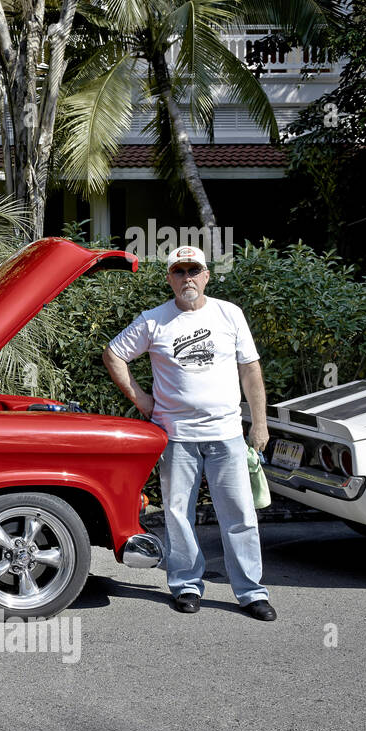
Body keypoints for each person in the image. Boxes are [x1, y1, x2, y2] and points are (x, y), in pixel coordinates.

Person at [102, 245, 275, 621]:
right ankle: (185, 586)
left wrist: (259, 424)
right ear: (169, 278)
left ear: (206, 275)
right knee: (179, 513)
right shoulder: (154, 321)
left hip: (226, 434)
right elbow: (114, 353)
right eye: (178, 272)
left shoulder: (230, 314)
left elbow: (250, 371)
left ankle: (251, 592)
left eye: (193, 270)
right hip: (176, 435)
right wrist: (143, 400)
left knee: (240, 515)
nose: (187, 278)